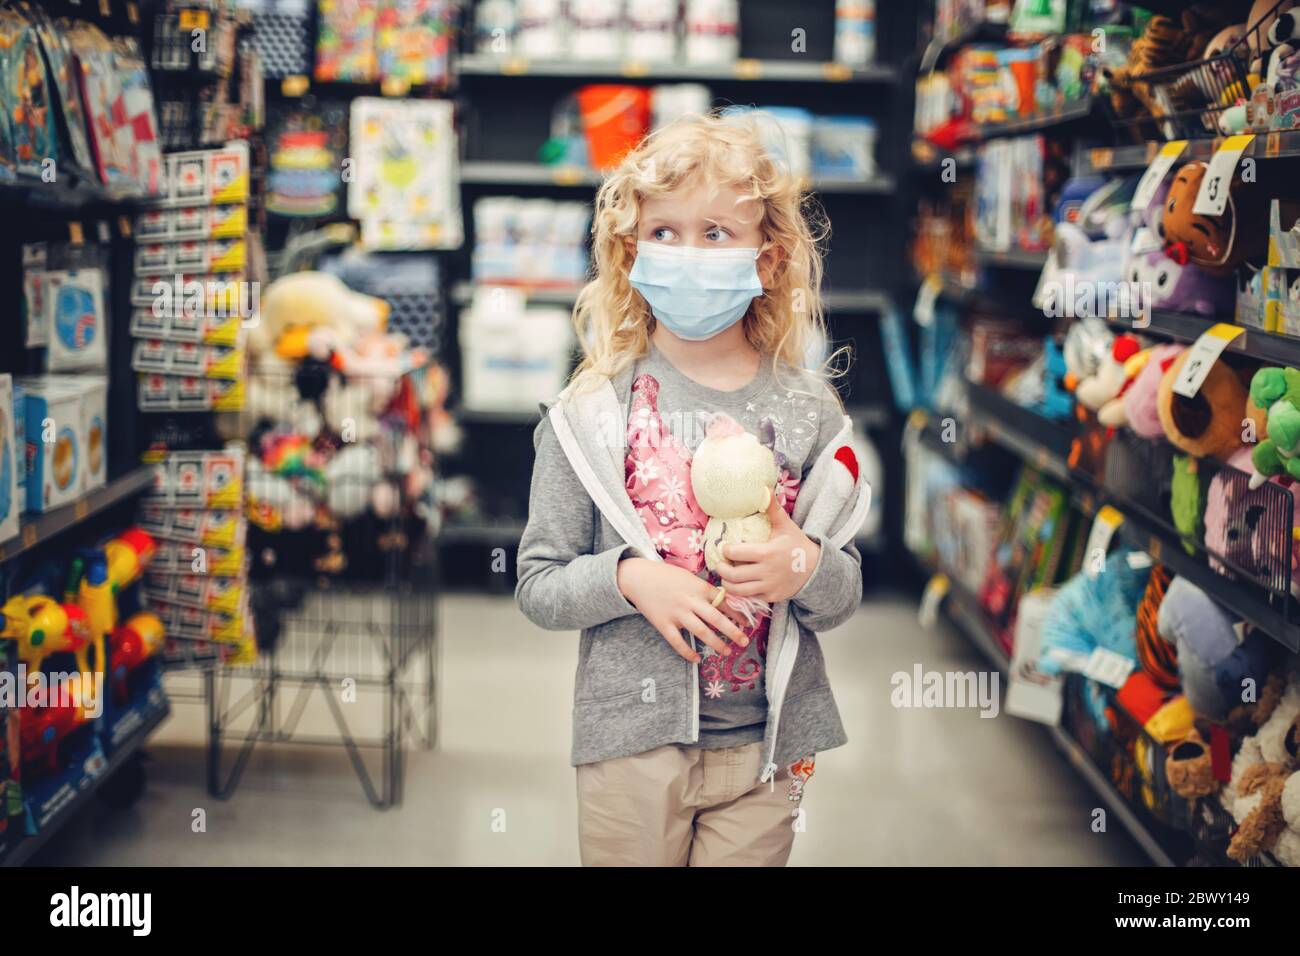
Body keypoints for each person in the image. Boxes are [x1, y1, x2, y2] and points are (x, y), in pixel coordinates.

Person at [515, 113, 871, 866]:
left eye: (716, 233)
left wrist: (801, 563)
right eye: (666, 232)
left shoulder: (809, 414)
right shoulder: (592, 412)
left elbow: (840, 596)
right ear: (631, 252)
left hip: (767, 748)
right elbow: (538, 583)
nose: (687, 253)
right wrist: (630, 577)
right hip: (629, 745)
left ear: (768, 262)